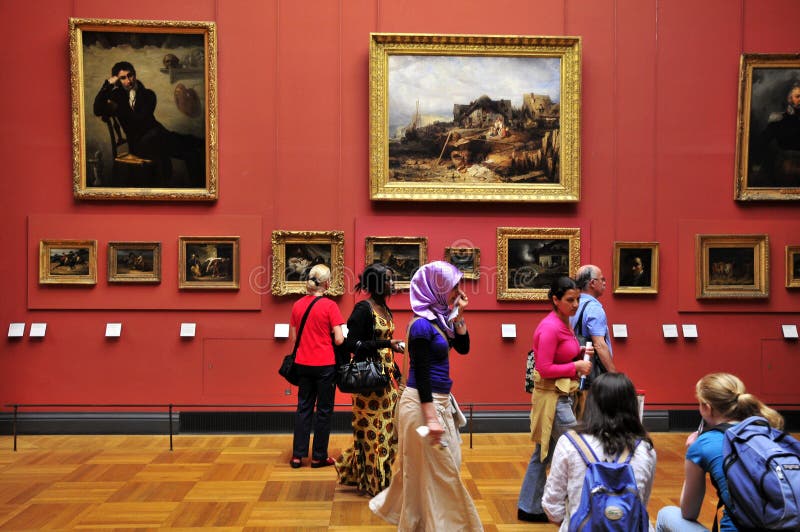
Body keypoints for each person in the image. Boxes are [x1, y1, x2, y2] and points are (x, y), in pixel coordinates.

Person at [369, 261, 482, 530]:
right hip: (423, 406)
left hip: (437, 403)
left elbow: (463, 348)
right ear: (437, 287)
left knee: (443, 469)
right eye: (453, 287)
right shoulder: (421, 326)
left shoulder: (440, 320)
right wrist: (431, 418)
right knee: (438, 473)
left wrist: (458, 315)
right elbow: (420, 373)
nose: (458, 291)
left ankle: (425, 523)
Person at [655, 373, 784, 531]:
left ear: (707, 408)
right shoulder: (769, 431)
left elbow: (689, 512)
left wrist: (692, 454)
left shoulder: (703, 443)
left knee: (665, 515)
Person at [517, 276, 594, 523]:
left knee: (544, 451)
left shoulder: (564, 323)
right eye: (569, 300)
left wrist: (579, 355)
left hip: (562, 395)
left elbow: (560, 357)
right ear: (555, 300)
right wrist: (576, 366)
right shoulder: (550, 327)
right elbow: (544, 368)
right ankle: (578, 505)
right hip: (554, 399)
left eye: (577, 300)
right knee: (579, 449)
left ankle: (529, 506)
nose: (574, 304)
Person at [542, 372, 657, 531]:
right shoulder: (645, 449)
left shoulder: (569, 443)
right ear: (632, 406)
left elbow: (552, 509)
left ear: (591, 404)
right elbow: (641, 503)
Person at [335, 263, 405, 495]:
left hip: (385, 380)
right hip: (368, 385)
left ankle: (360, 473)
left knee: (390, 434)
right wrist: (387, 343)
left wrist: (397, 372)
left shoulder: (384, 307)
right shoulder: (363, 309)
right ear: (376, 283)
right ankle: (375, 484)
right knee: (373, 435)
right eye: (388, 280)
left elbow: (386, 350)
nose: (392, 284)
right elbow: (351, 344)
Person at [93, 61, 206, 187]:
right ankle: (197, 142)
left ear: (135, 75)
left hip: (158, 139)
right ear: (118, 80)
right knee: (163, 135)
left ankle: (199, 191)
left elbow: (143, 120)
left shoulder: (148, 95)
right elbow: (97, 110)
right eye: (123, 78)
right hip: (139, 144)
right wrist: (107, 85)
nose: (128, 81)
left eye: (130, 75)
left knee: (191, 154)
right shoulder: (116, 96)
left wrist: (120, 108)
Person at [288, 264, 345, 469]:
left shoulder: (297, 305)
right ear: (326, 283)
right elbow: (339, 340)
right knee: (324, 410)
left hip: (303, 363)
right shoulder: (330, 306)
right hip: (325, 365)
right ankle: (319, 456)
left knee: (303, 407)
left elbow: (294, 338)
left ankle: (297, 455)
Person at [571, 264, 616, 417]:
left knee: (576, 413)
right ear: (592, 283)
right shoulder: (594, 308)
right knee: (590, 416)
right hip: (590, 372)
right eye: (602, 279)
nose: (605, 282)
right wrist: (613, 374)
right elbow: (599, 344)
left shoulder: (572, 305)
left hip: (572, 369)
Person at [749, 82, 800, 187]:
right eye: (798, 96)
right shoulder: (779, 120)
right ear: (790, 99)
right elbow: (762, 142)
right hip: (786, 166)